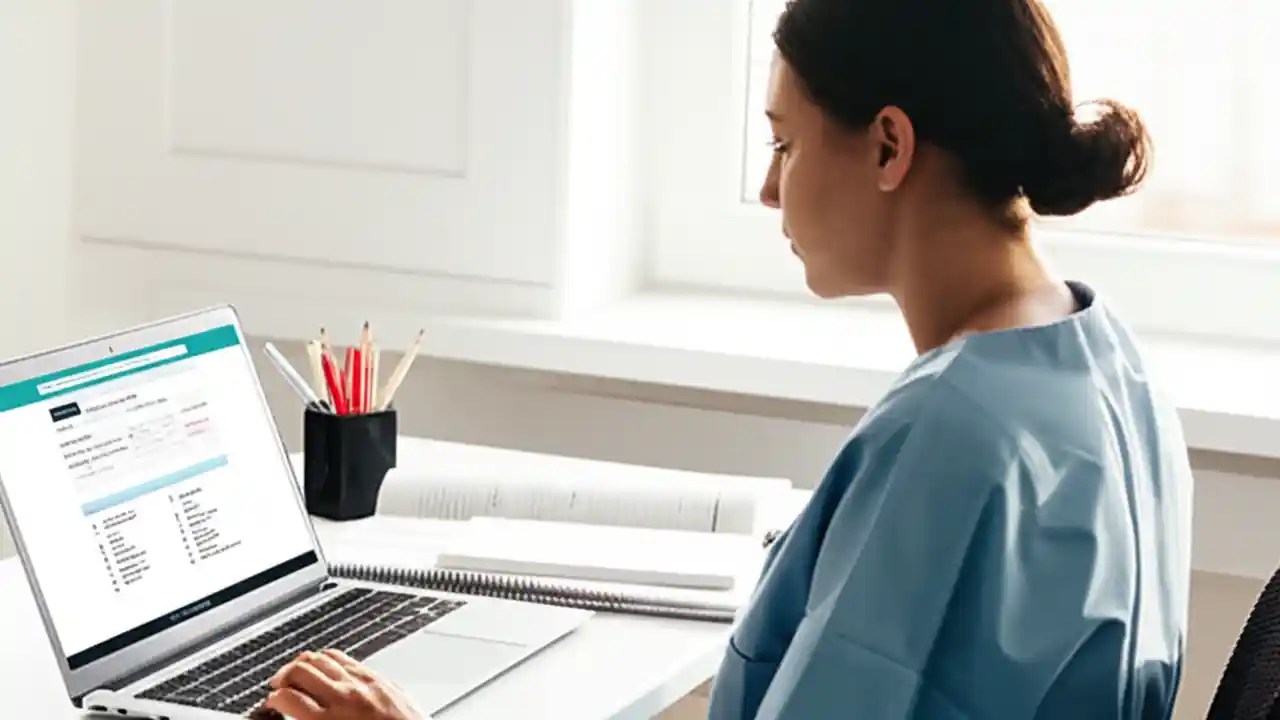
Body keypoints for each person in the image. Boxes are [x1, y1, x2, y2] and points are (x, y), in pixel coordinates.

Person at [259, 0, 1194, 717]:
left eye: (785, 143)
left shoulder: (949, 435)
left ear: (889, 146)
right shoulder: (1110, 365)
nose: (768, 186)